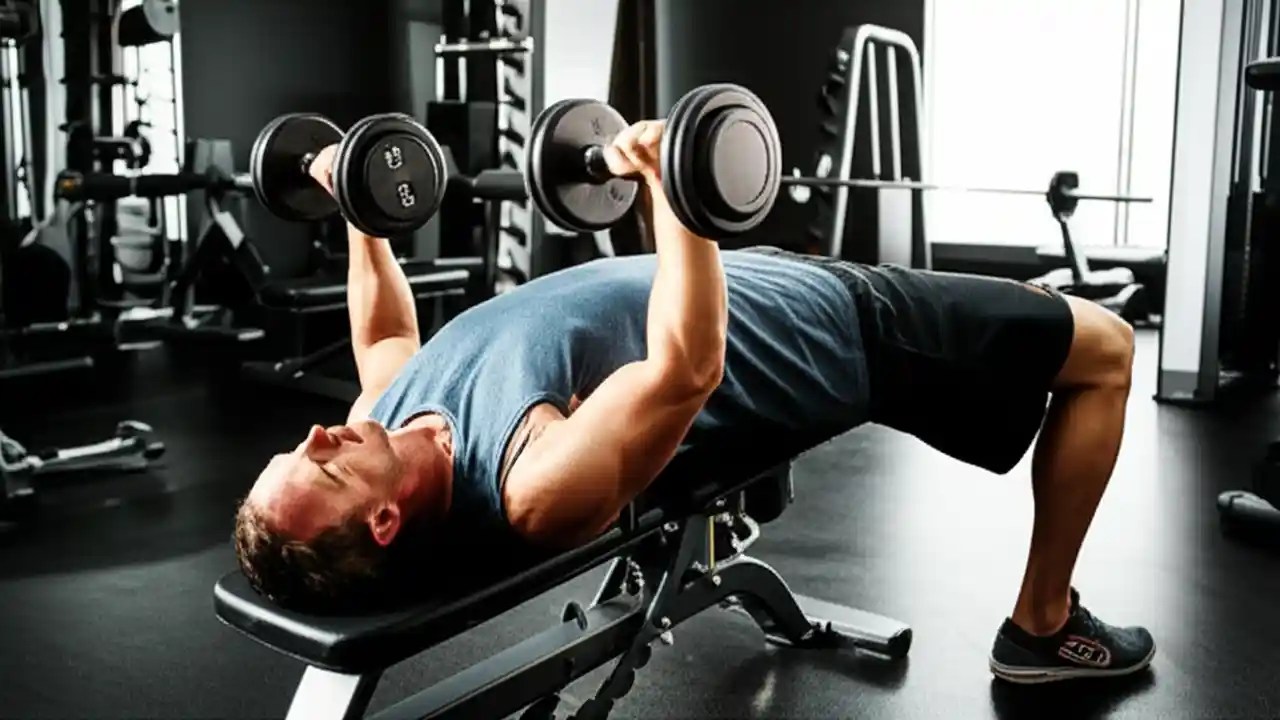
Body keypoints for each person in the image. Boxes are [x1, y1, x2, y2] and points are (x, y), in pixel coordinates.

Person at [233, 119, 1154, 685]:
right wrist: (674, 191)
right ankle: (1043, 623)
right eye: (323, 465)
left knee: (1055, 326)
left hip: (774, 278)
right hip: (845, 329)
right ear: (385, 521)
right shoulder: (530, 482)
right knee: (1106, 350)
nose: (317, 433)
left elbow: (383, 335)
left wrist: (357, 208)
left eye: (299, 446)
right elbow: (685, 370)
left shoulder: (389, 411)